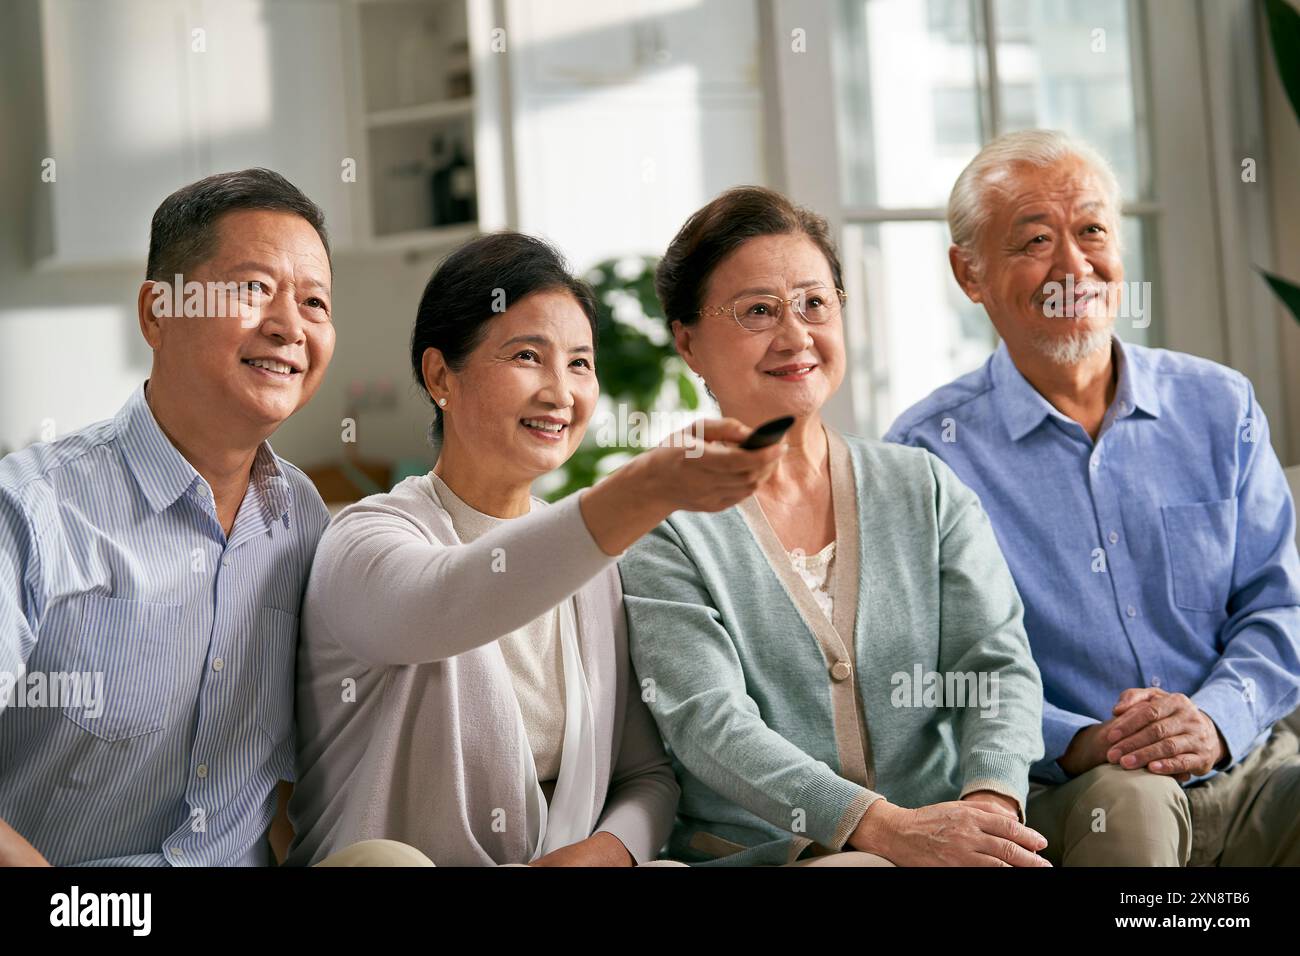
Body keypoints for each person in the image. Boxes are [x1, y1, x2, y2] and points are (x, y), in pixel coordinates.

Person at [287, 232, 785, 866]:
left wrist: (603, 852)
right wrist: (645, 486)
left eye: (579, 363)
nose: (560, 391)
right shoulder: (364, 539)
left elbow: (646, 775)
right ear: (441, 374)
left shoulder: (592, 568)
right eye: (528, 355)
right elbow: (445, 602)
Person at [886, 129, 1300, 866]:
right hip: (1076, 797)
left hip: (1250, 769)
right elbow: (927, 670)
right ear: (969, 272)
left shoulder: (1218, 405)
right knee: (1131, 802)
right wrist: (1079, 740)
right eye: (1035, 240)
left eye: (1091, 231)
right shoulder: (927, 454)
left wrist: (1213, 718)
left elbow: (1278, 607)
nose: (1072, 266)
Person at [617, 186, 1049, 867]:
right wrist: (882, 829)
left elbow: (996, 668)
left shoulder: (924, 485)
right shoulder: (663, 521)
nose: (796, 336)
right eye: (758, 311)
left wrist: (987, 811)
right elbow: (709, 723)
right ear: (688, 342)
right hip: (764, 853)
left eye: (814, 304)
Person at [0, 168, 335, 865]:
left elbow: (289, 781)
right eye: (251, 289)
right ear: (158, 312)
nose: (289, 326)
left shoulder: (302, 518)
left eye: (314, 302)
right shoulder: (30, 511)